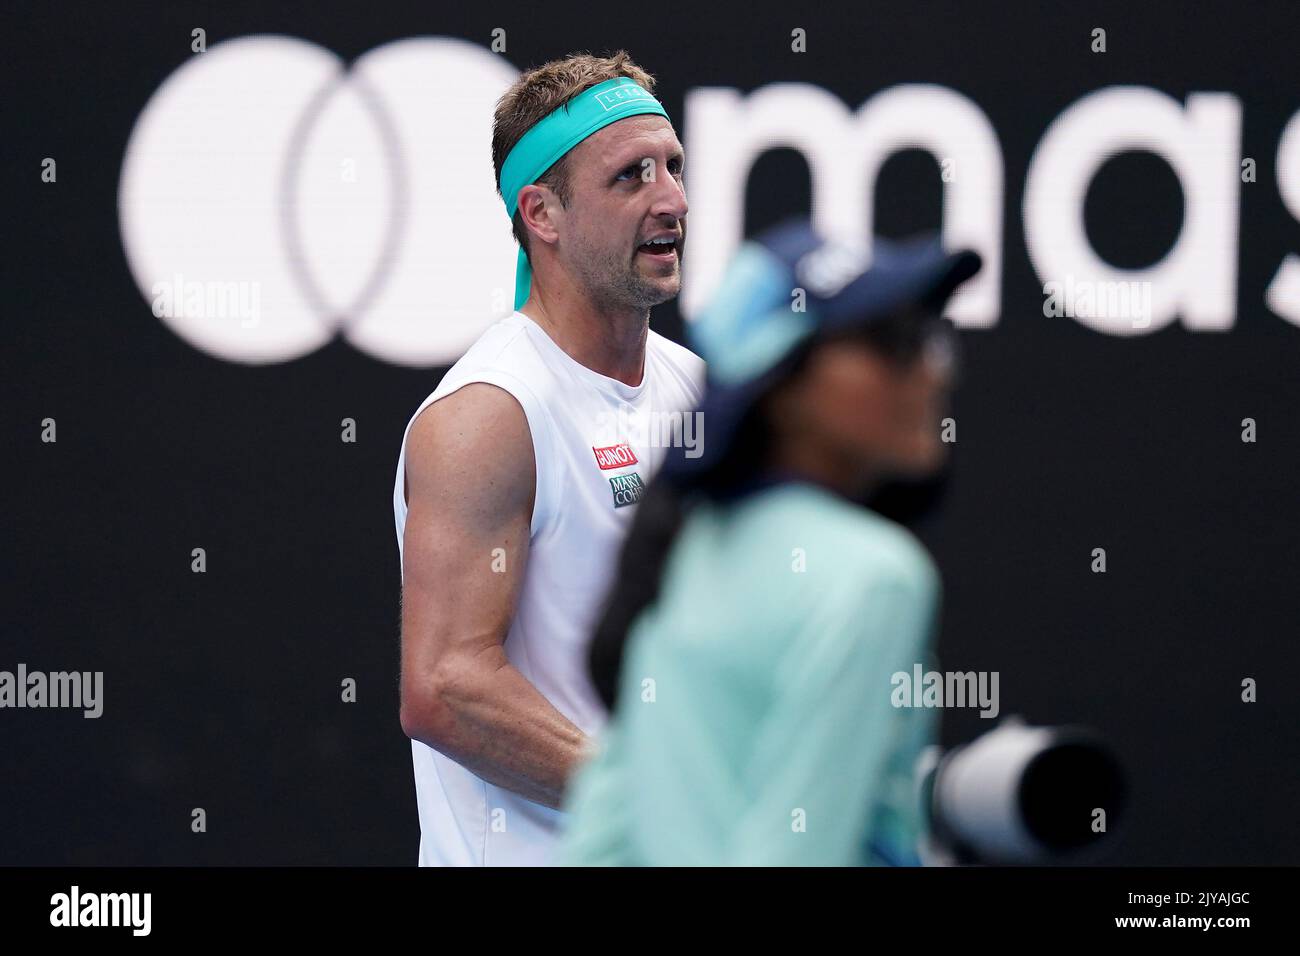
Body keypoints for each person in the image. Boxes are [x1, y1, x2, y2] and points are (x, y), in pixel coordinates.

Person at [558, 219, 981, 865]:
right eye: (893, 342)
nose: (930, 372)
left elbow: (601, 842)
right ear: (782, 388)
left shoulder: (680, 550)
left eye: (930, 337)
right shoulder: (877, 577)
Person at [392, 51, 704, 866]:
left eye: (673, 167)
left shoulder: (702, 393)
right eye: (631, 176)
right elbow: (447, 688)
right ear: (543, 214)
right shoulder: (490, 414)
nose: (672, 199)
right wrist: (655, 801)